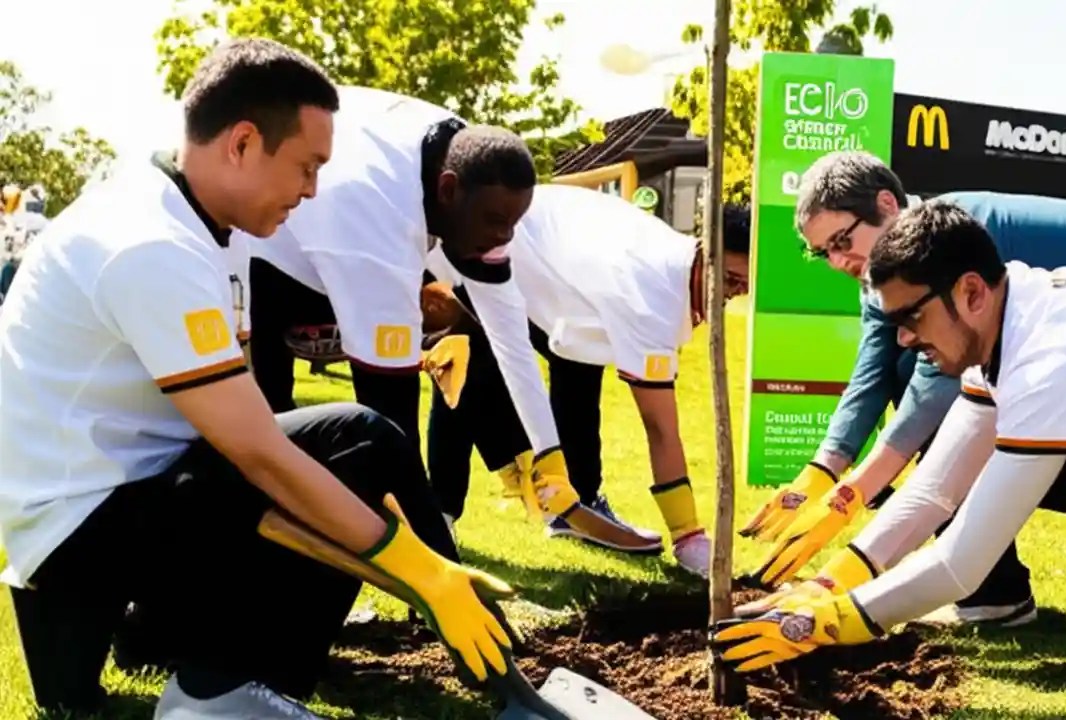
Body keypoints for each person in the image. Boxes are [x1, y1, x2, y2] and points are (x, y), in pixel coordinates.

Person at [0, 39, 518, 719]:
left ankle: (170, 641)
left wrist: (414, 565)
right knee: (352, 448)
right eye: (307, 167)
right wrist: (420, 570)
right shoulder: (153, 244)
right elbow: (259, 455)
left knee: (356, 440)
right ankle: (219, 691)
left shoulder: (206, 225)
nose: (311, 190)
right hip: (77, 532)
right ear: (242, 144)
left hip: (112, 502)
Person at [713, 199, 1066, 719]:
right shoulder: (1006, 332)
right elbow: (936, 492)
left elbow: (964, 563)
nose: (905, 340)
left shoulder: (1050, 358)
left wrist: (833, 623)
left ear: (971, 293)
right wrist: (834, 582)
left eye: (910, 318)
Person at [737, 150, 1066, 627]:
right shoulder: (886, 276)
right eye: (824, 252)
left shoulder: (948, 239)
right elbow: (873, 369)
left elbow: (934, 389)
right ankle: (998, 595)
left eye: (842, 241)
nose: (838, 261)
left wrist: (852, 500)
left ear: (888, 205)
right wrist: (823, 471)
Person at [243, 86, 656, 555]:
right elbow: (390, 414)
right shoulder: (377, 226)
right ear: (448, 191)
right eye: (495, 222)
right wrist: (443, 568)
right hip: (265, 256)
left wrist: (551, 462)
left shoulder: (475, 180)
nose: (504, 237)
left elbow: (514, 347)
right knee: (276, 437)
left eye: (514, 223)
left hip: (347, 215)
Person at [423, 185, 753, 577]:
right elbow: (660, 426)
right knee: (464, 366)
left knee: (580, 363)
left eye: (745, 286)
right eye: (731, 280)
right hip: (492, 247)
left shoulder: (668, 271)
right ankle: (437, 517)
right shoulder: (648, 298)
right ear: (705, 251)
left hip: (562, 272)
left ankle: (577, 503)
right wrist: (688, 535)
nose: (735, 294)